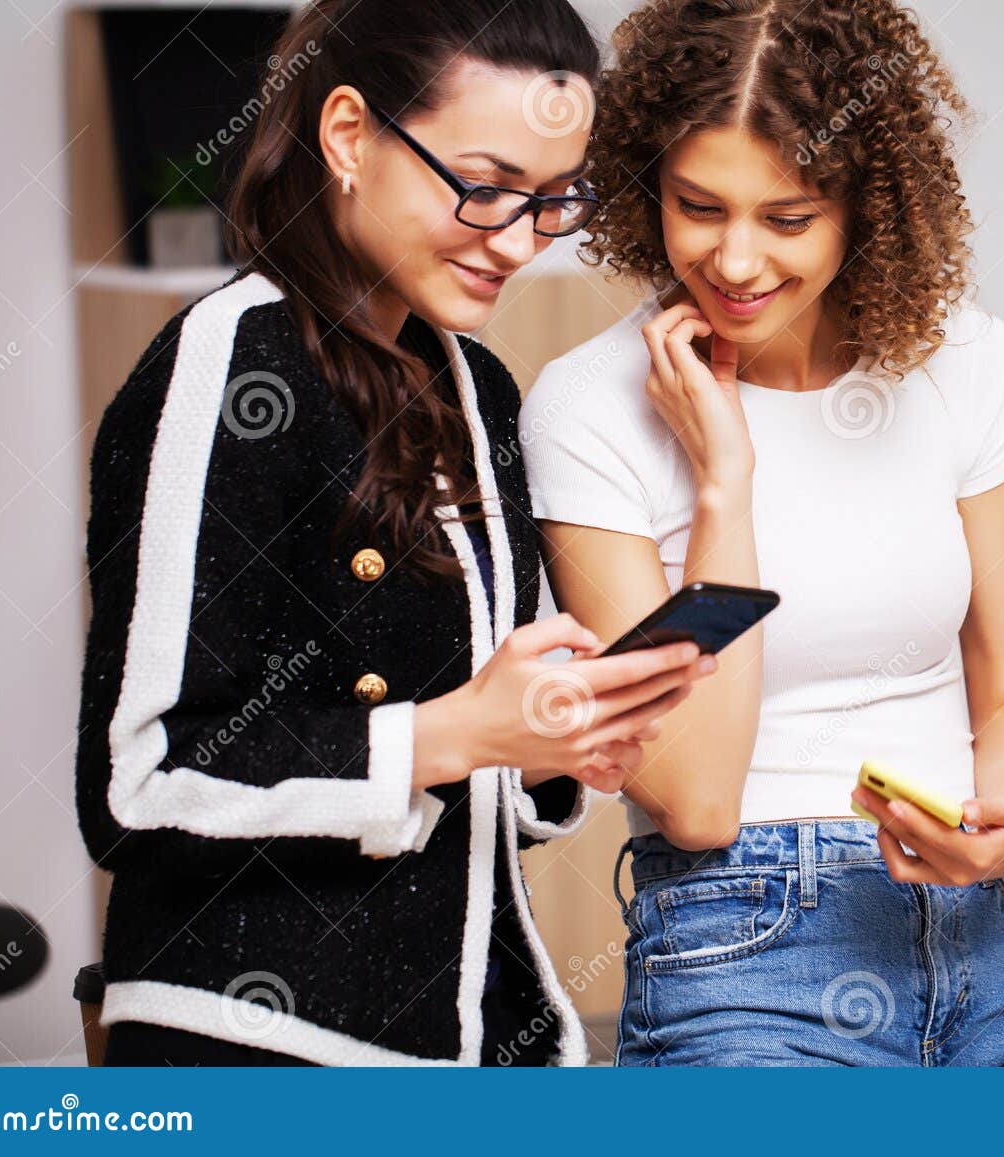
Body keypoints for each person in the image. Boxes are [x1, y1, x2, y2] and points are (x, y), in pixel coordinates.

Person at [75, 0, 714, 1067]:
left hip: (480, 1029)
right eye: (483, 186)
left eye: (553, 201)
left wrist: (559, 741)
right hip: (259, 1039)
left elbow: (475, 776)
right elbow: (136, 781)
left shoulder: (482, 390)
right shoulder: (231, 363)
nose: (517, 241)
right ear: (346, 136)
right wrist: (457, 730)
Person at [520, 0, 1004, 1066]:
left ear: (864, 207)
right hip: (746, 947)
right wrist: (725, 481)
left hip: (998, 940)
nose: (735, 261)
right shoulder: (589, 407)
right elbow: (694, 796)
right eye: (698, 206)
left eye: (786, 219)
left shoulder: (969, 365)